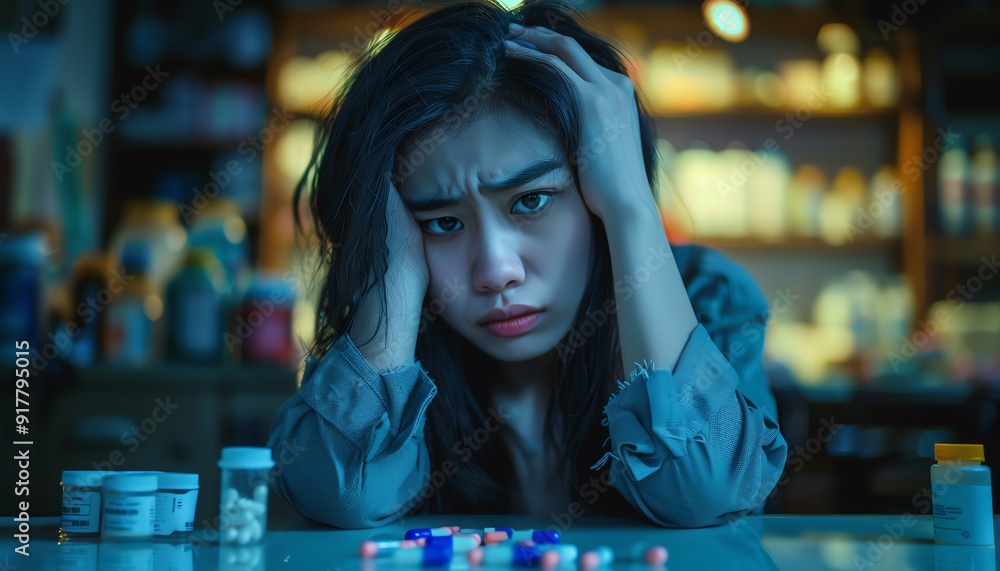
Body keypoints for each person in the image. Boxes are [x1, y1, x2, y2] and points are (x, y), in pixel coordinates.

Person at [267, 0, 788, 529]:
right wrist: (393, 272)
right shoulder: (388, 339)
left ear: (596, 190)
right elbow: (343, 498)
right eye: (442, 223)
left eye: (532, 200)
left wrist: (632, 208)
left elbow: (704, 492)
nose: (496, 270)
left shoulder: (708, 295)